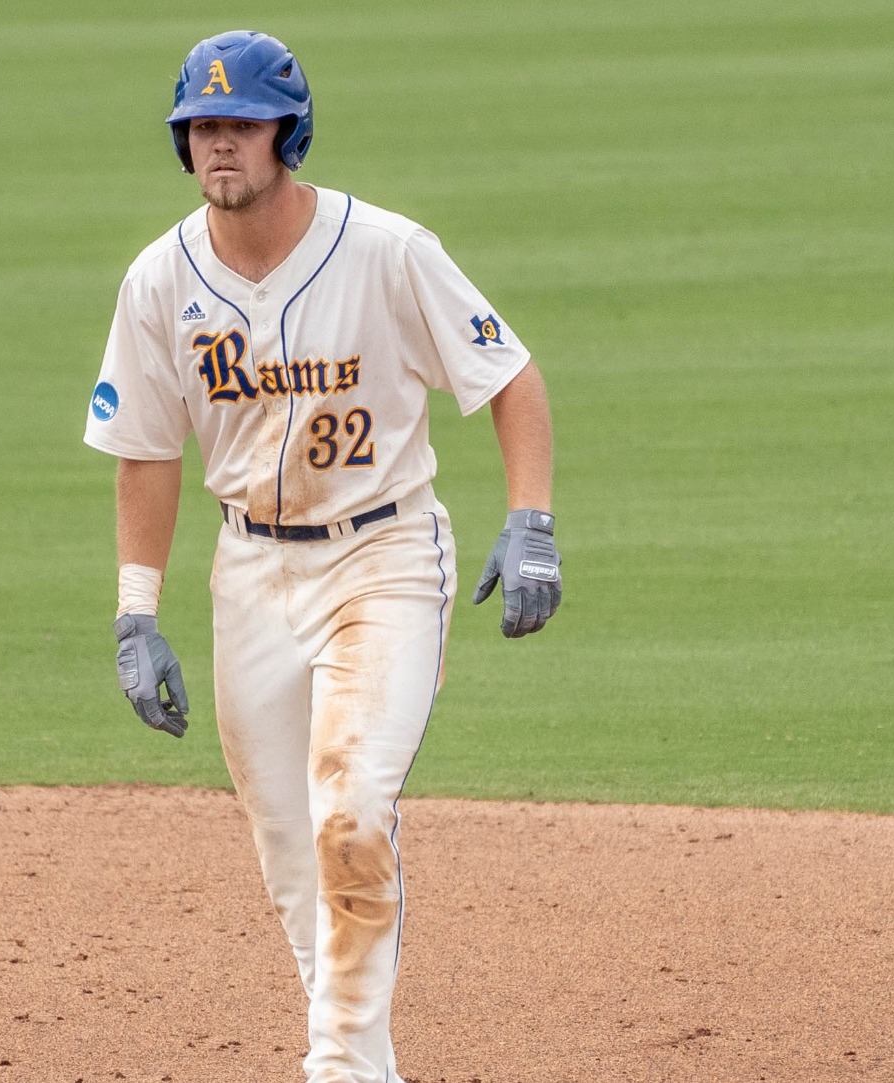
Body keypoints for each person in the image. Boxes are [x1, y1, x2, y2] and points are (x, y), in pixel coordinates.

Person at [82, 29, 561, 1083]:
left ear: (284, 133)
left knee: (350, 808)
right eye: (200, 127)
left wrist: (530, 521)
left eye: (238, 125)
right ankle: (359, 1057)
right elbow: (143, 453)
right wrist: (134, 612)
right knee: (289, 848)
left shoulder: (385, 250)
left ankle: (337, 1069)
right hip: (247, 576)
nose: (218, 146)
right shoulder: (159, 280)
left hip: (382, 557)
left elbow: (510, 377)